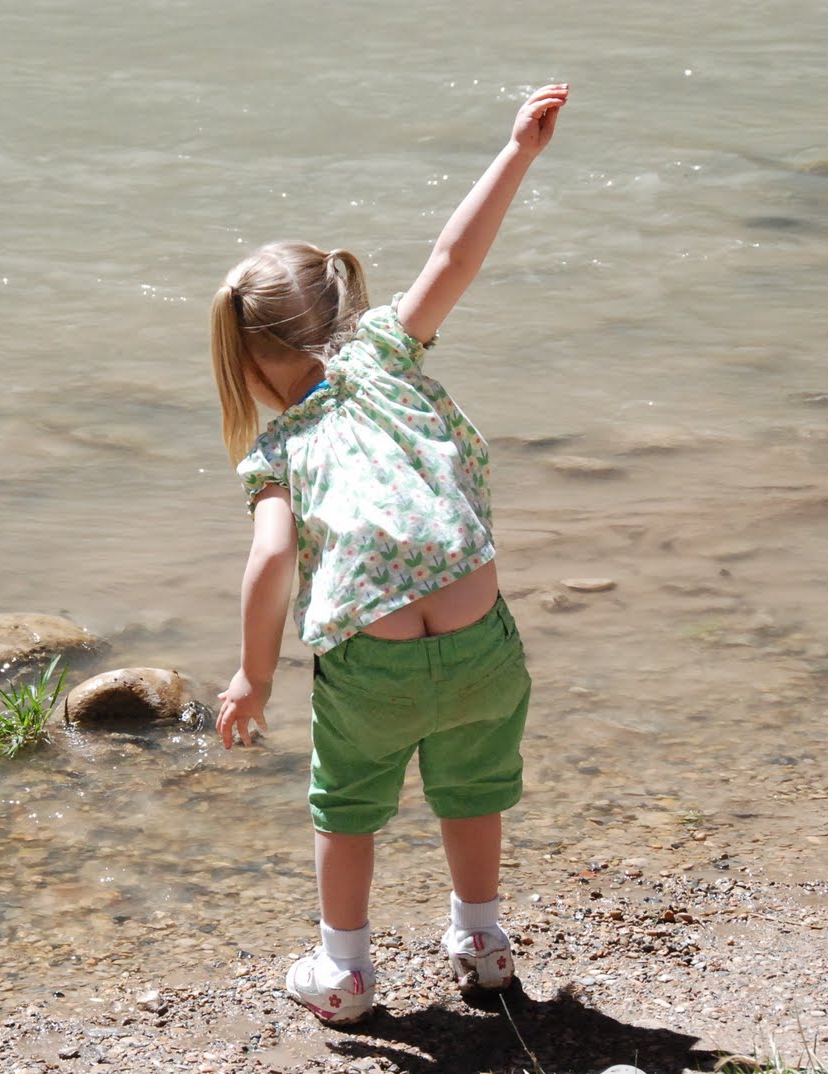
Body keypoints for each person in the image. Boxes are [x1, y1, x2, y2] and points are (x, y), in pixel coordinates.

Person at [210, 84, 569, 1024]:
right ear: (344, 306)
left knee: (348, 806)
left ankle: (346, 971)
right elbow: (457, 254)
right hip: (482, 636)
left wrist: (254, 678)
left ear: (248, 364)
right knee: (473, 785)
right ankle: (483, 943)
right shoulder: (387, 350)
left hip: (373, 666)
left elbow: (271, 565)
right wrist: (517, 151)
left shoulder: (277, 449)